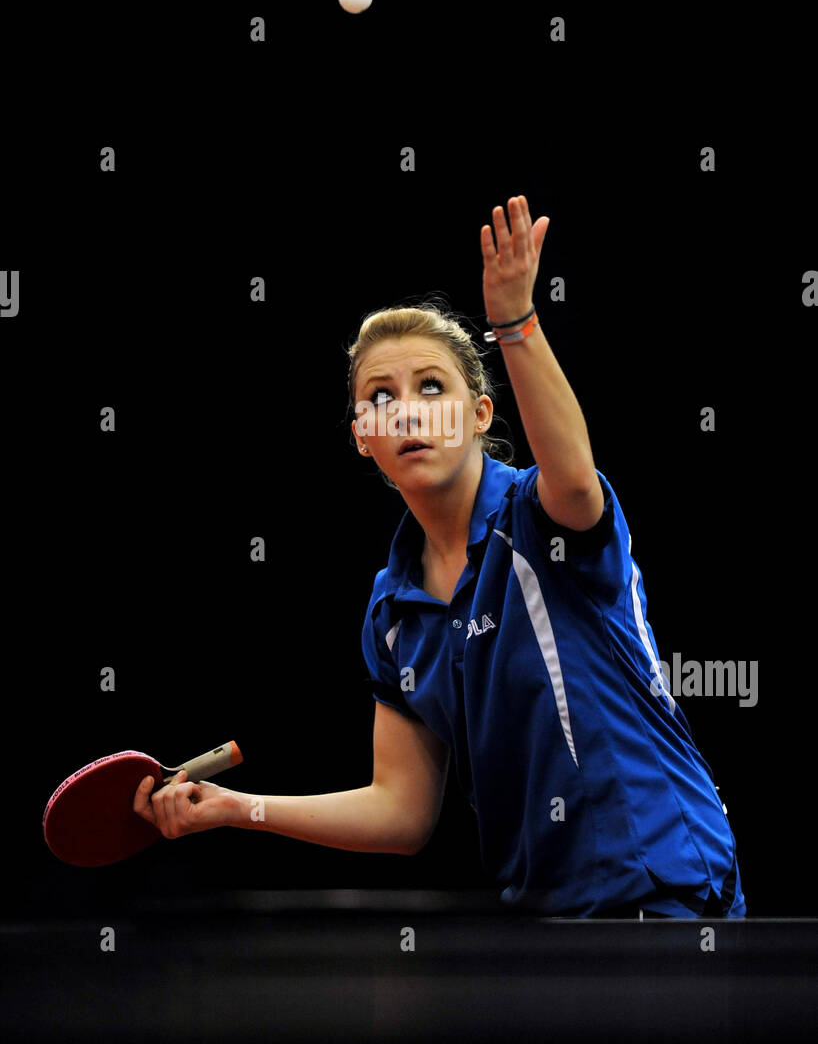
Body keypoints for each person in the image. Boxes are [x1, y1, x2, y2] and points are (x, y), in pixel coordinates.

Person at [134, 194, 745, 919]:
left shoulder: (538, 519)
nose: (407, 409)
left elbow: (577, 477)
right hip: (543, 914)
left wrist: (515, 323)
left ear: (480, 413)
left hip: (659, 883)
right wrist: (237, 809)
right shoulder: (393, 610)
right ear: (364, 436)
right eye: (380, 397)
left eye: (432, 387)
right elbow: (402, 812)